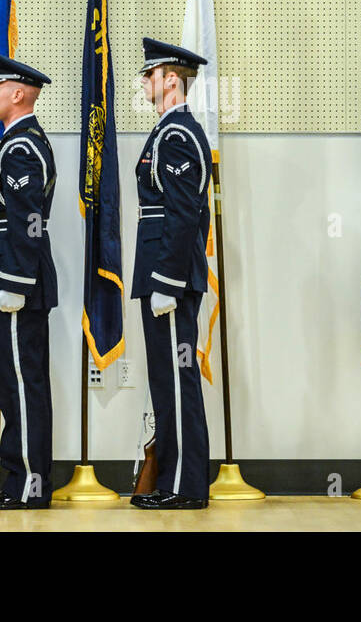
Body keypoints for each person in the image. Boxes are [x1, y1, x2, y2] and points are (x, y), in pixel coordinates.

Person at [129, 38, 212, 510]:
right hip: (163, 276)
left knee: (178, 383)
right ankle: (173, 481)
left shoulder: (177, 135)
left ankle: (184, 486)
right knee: (166, 380)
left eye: (150, 74)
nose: (144, 81)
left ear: (172, 81)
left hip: (170, 281)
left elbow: (183, 215)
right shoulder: (167, 133)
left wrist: (168, 281)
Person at [0, 53, 58, 510]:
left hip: (14, 282)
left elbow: (27, 219)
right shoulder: (13, 142)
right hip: (5, 275)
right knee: (15, 384)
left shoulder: (22, 146)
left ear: (19, 93)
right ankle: (21, 480)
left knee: (23, 385)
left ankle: (27, 483)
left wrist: (15, 282)